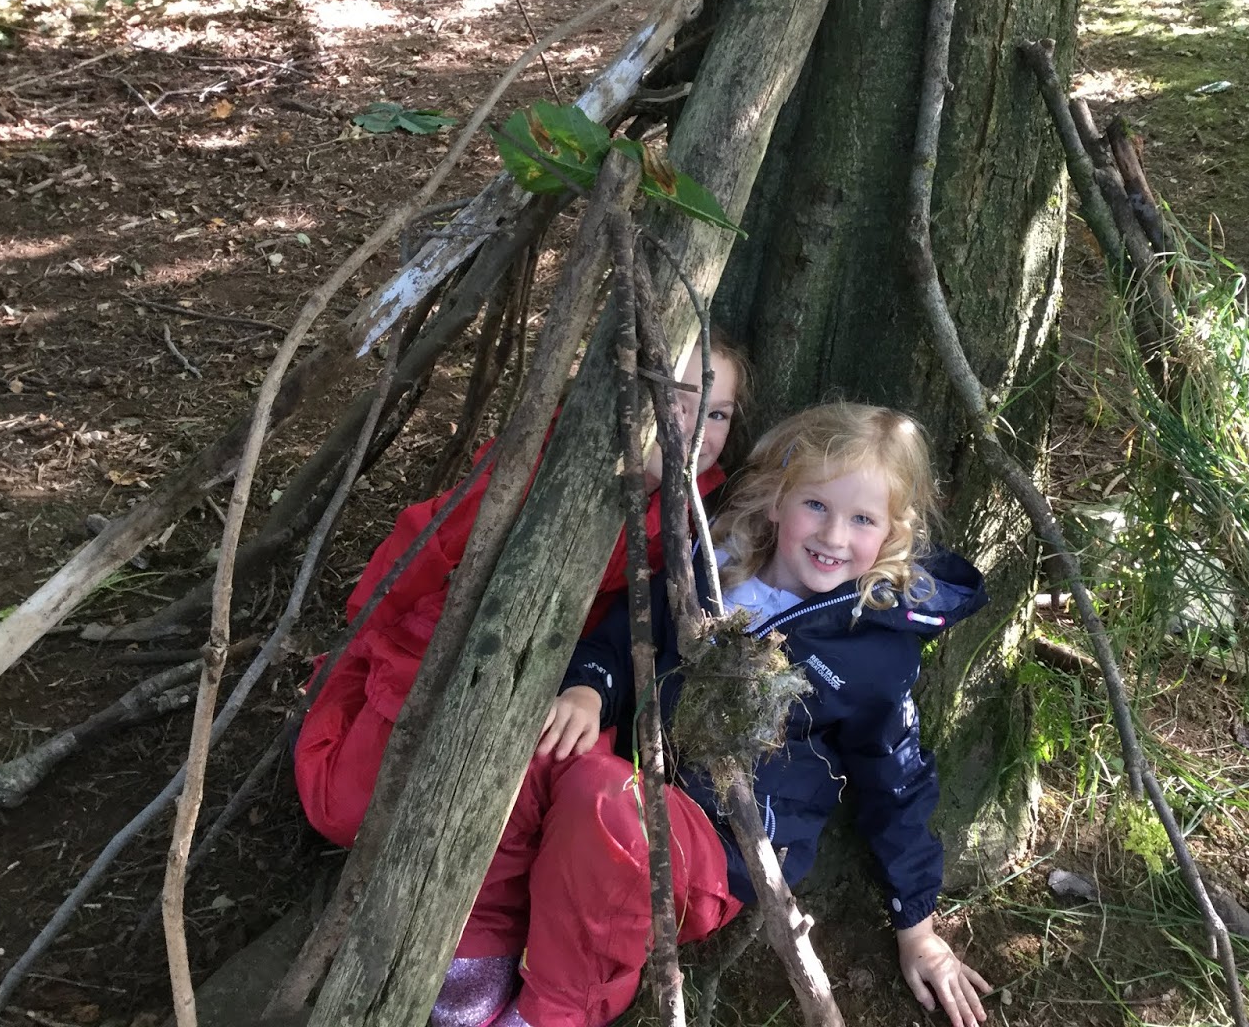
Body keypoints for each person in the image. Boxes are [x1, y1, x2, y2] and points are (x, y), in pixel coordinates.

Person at [445, 402, 993, 1027]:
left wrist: (917, 927)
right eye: (816, 505)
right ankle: (474, 959)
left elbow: (895, 781)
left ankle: (556, 1011)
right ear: (775, 501)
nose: (835, 536)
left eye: (863, 519)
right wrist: (589, 688)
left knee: (609, 811)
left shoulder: (874, 648)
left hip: (716, 848)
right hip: (623, 773)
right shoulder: (712, 570)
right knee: (541, 748)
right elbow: (628, 632)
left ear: (894, 532)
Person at [292, 339, 746, 857]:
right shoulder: (546, 463)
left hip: (569, 670)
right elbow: (428, 546)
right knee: (347, 811)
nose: (691, 429)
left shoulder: (700, 512)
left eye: (715, 413)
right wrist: (365, 638)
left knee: (522, 802)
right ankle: (331, 723)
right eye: (673, 401)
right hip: (466, 634)